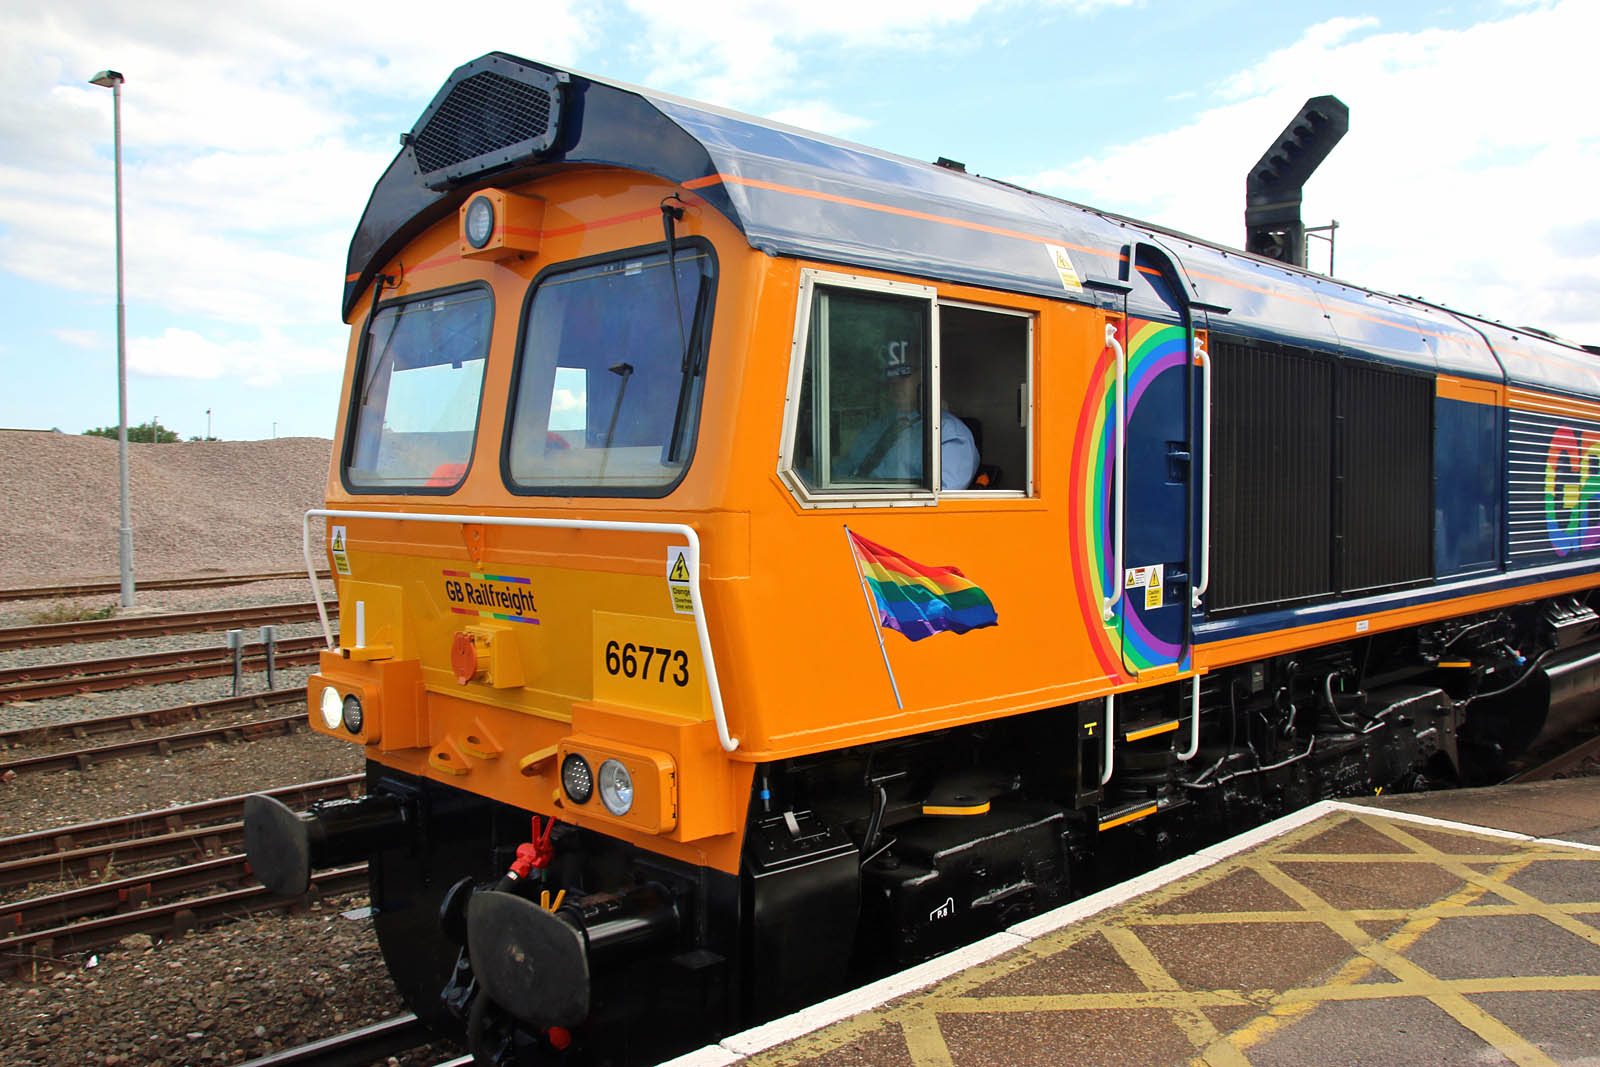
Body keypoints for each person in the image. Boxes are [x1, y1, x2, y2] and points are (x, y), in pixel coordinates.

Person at [838, 344, 978, 489]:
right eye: (890, 374)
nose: (895, 382)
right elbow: (840, 474)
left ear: (928, 375)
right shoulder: (876, 428)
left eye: (904, 372)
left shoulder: (948, 434)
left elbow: (943, 499)